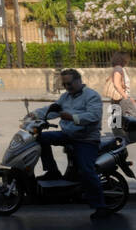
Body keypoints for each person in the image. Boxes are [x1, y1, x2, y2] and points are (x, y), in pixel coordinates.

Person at [33, 68, 109, 219]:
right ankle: (52, 171)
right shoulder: (65, 97)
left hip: (86, 139)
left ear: (79, 81)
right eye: (65, 84)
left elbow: (93, 116)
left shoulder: (92, 96)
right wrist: (35, 115)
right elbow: (53, 110)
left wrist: (73, 117)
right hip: (68, 134)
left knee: (87, 170)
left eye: (70, 83)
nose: (67, 87)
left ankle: (101, 206)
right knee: (40, 138)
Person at [104, 53, 136, 126]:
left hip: (116, 97)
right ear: (122, 60)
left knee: (116, 119)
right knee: (132, 116)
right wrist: (125, 96)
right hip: (121, 98)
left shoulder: (116, 69)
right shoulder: (118, 69)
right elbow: (117, 84)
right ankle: (132, 134)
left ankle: (119, 135)